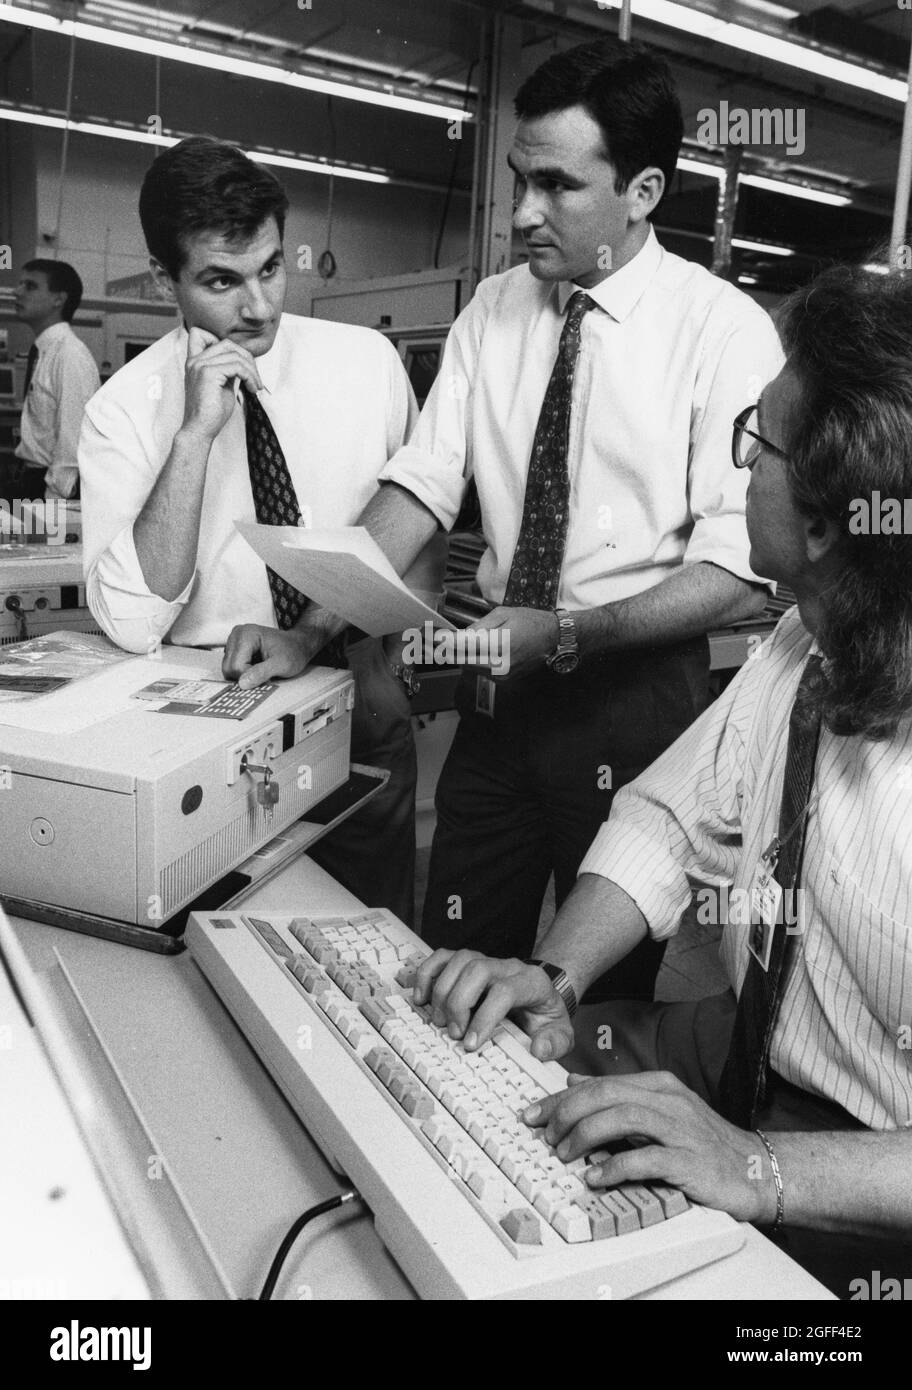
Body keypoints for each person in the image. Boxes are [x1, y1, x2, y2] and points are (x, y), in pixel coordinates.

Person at [412, 264, 912, 1297]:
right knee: (500, 1082)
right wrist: (550, 975)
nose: (742, 470)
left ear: (822, 524)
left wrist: (751, 1163)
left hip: (870, 1170)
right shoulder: (796, 645)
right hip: (751, 1049)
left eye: (758, 443)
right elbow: (669, 818)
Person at [374, 39, 782, 997]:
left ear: (642, 191)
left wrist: (565, 633)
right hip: (501, 697)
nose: (522, 213)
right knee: (454, 958)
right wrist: (312, 621)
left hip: (638, 700)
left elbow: (738, 570)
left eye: (556, 185)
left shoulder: (721, 332)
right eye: (519, 179)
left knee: (601, 987)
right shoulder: (494, 309)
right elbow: (423, 485)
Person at [80, 137, 441, 926]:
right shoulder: (123, 410)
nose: (260, 307)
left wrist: (401, 661)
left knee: (373, 928)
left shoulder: (366, 362)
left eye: (272, 268)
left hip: (358, 694)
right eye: (221, 281)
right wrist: (193, 439)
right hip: (212, 718)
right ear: (163, 278)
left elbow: (419, 518)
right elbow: (134, 621)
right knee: (228, 933)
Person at [12, 259, 100, 501]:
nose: (16, 291)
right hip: (29, 482)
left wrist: (52, 509)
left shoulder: (70, 356)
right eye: (19, 284)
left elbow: (73, 443)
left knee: (36, 540)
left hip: (48, 491)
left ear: (58, 299)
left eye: (29, 286)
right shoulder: (45, 351)